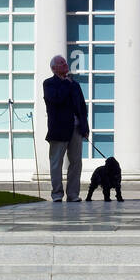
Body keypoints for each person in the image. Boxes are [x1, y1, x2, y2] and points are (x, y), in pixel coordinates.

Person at [43, 55, 89, 203]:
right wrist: (66, 84)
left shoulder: (74, 85)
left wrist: (85, 126)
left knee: (76, 162)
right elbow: (57, 99)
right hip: (58, 130)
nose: (65, 64)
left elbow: (82, 107)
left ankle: (73, 194)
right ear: (54, 68)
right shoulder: (49, 83)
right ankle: (57, 194)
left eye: (64, 62)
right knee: (56, 163)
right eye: (61, 63)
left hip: (75, 129)